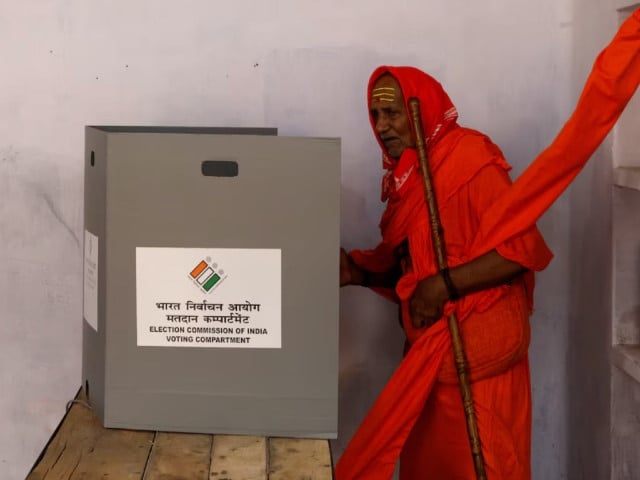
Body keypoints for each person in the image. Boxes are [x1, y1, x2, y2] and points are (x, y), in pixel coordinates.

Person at [339, 66, 553, 479]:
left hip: (483, 363)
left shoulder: (469, 158)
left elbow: (519, 252)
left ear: (423, 109)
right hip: (432, 366)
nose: (382, 126)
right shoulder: (407, 178)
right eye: (375, 116)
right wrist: (358, 271)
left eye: (393, 113)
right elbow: (410, 267)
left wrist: (443, 285)